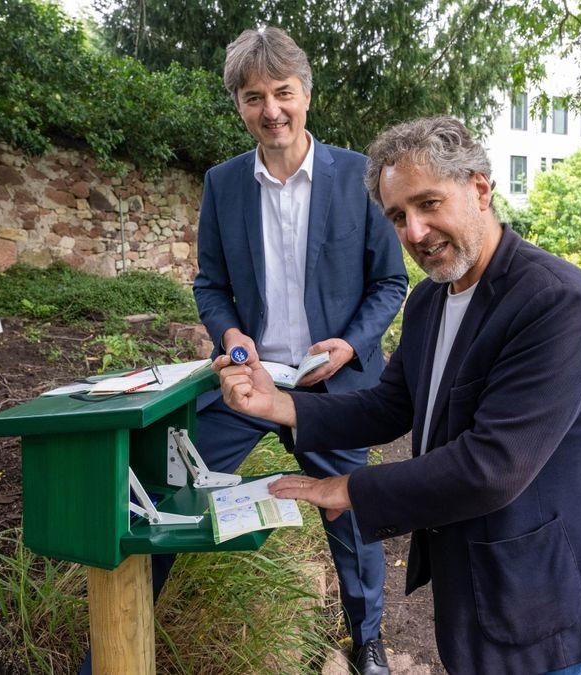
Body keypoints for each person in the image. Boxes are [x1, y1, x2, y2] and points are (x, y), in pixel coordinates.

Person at [216, 117, 581, 675]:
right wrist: (277, 404)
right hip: (471, 578)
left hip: (536, 589)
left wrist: (349, 488)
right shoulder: (430, 300)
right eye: (398, 216)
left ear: (480, 189)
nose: (414, 231)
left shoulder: (554, 301)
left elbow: (492, 467)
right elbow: (392, 405)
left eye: (429, 204)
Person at [191, 27, 407, 675]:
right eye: (254, 97)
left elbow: (390, 280)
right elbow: (211, 283)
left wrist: (352, 342)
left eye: (282, 92)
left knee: (350, 511)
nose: (271, 110)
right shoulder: (223, 184)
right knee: (173, 485)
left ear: (306, 94)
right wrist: (230, 336)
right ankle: (132, 618)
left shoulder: (358, 178)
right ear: (239, 105)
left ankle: (365, 636)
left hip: (332, 385)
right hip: (247, 382)